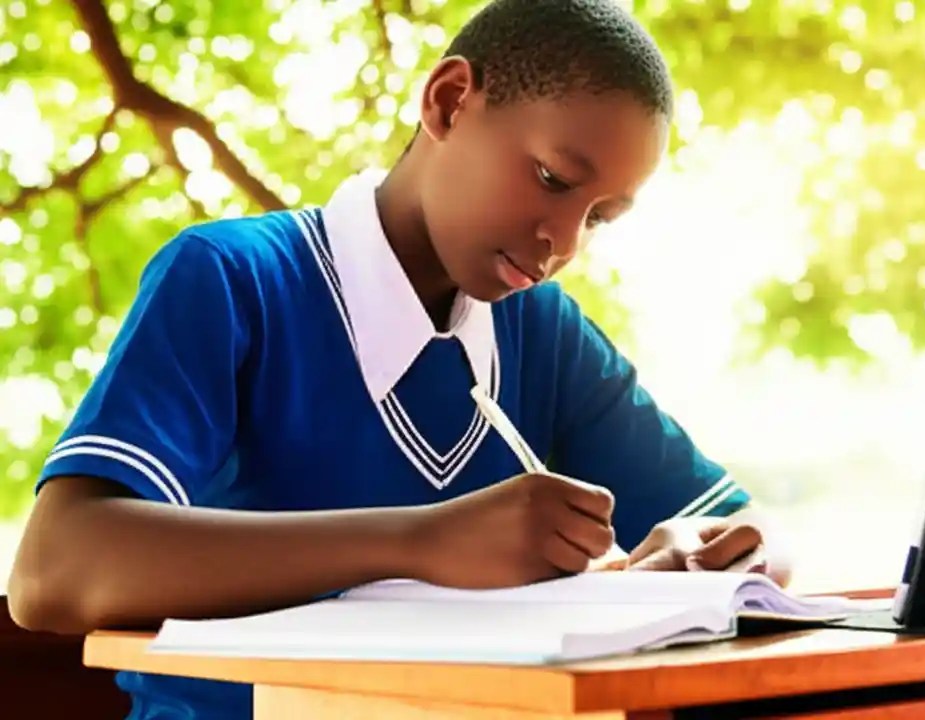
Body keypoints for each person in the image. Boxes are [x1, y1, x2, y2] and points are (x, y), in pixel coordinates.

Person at [7, 0, 794, 717]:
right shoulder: (234, 280)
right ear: (450, 102)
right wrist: (421, 541)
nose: (565, 243)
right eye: (553, 179)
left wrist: (717, 551)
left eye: (601, 217)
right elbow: (51, 574)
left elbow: (748, 529)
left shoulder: (539, 329)